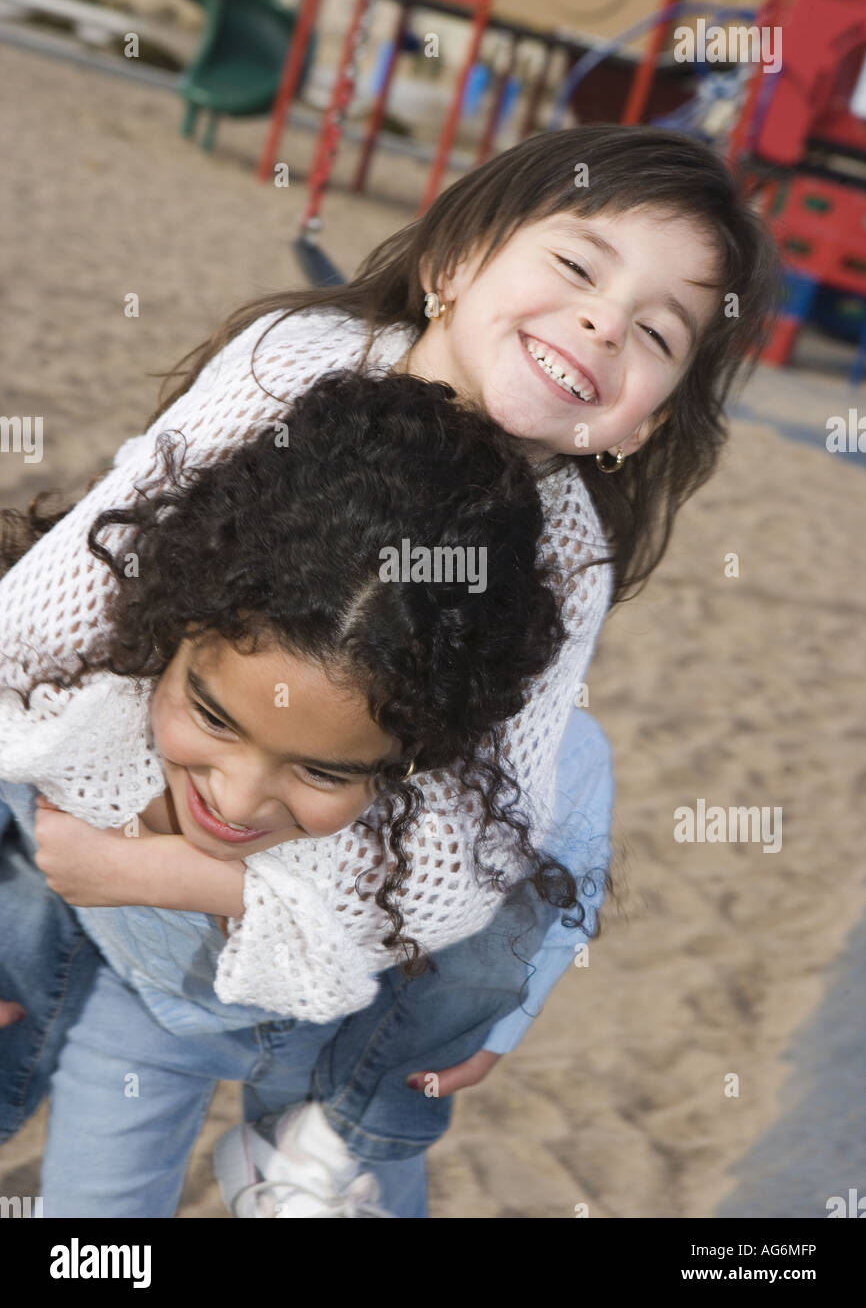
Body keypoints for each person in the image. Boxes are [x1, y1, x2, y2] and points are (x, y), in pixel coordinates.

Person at [0, 124, 780, 1217]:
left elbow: (462, 864)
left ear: (640, 423)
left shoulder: (563, 552)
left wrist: (176, 875)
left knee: (574, 779)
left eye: (656, 331)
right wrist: (76, 834)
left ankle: (329, 1139)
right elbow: (72, 604)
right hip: (132, 848)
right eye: (573, 266)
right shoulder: (292, 364)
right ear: (453, 265)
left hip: (317, 919)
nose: (604, 321)